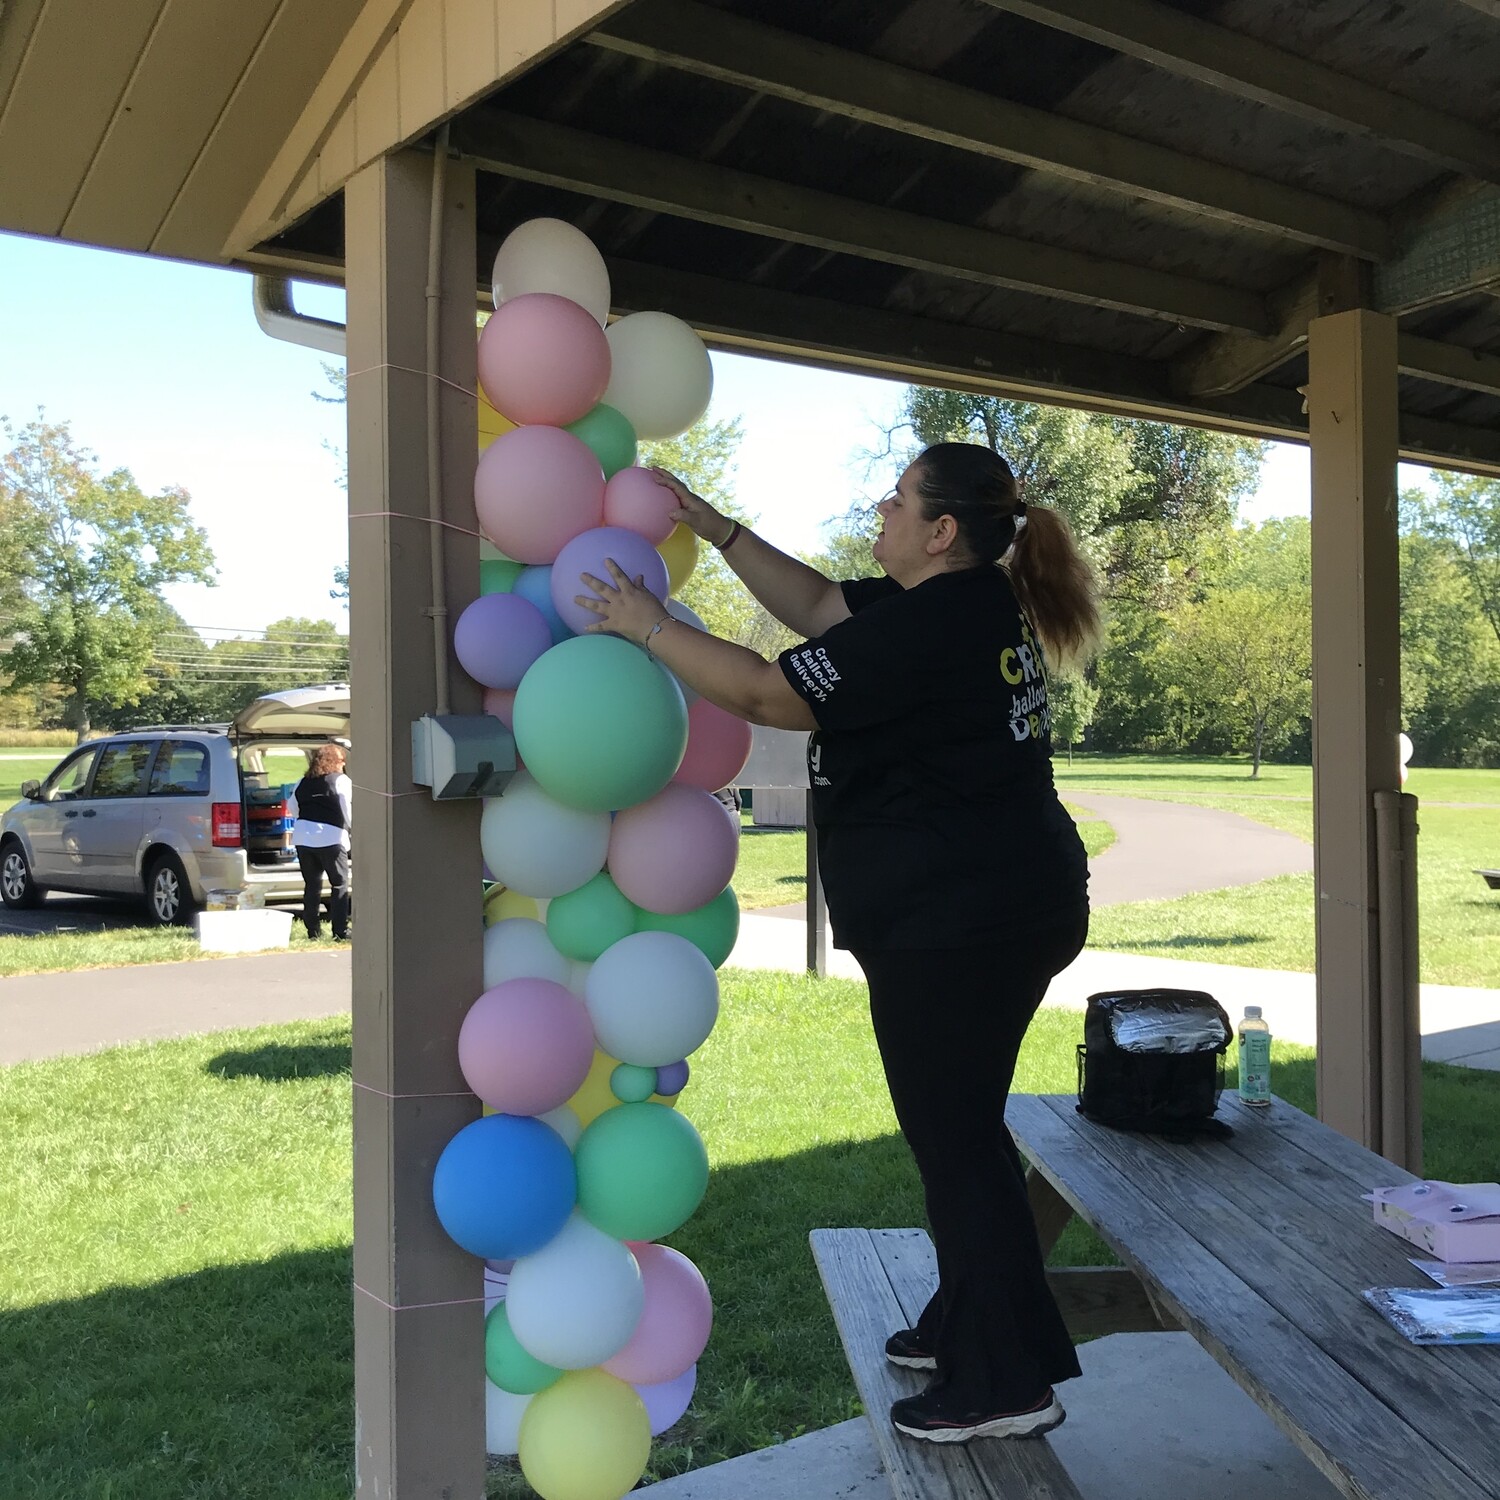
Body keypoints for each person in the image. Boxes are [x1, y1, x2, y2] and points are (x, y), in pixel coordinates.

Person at [575, 442, 1100, 1445]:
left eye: (901, 499)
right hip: (1000, 904)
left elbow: (775, 694)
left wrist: (648, 625)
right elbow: (817, 608)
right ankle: (979, 1319)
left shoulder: (939, 621)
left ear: (941, 531)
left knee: (956, 1142)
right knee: (967, 1129)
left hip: (962, 922)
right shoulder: (954, 605)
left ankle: (1002, 1384)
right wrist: (720, 530)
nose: (884, 505)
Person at [289, 741, 352, 942]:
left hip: (303, 838)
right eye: (342, 761)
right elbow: (346, 808)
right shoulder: (340, 780)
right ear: (335, 762)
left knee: (312, 885)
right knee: (339, 884)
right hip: (332, 837)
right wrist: (353, 830)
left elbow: (293, 808)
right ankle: (340, 930)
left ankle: (313, 931)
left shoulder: (302, 782)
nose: (343, 764)